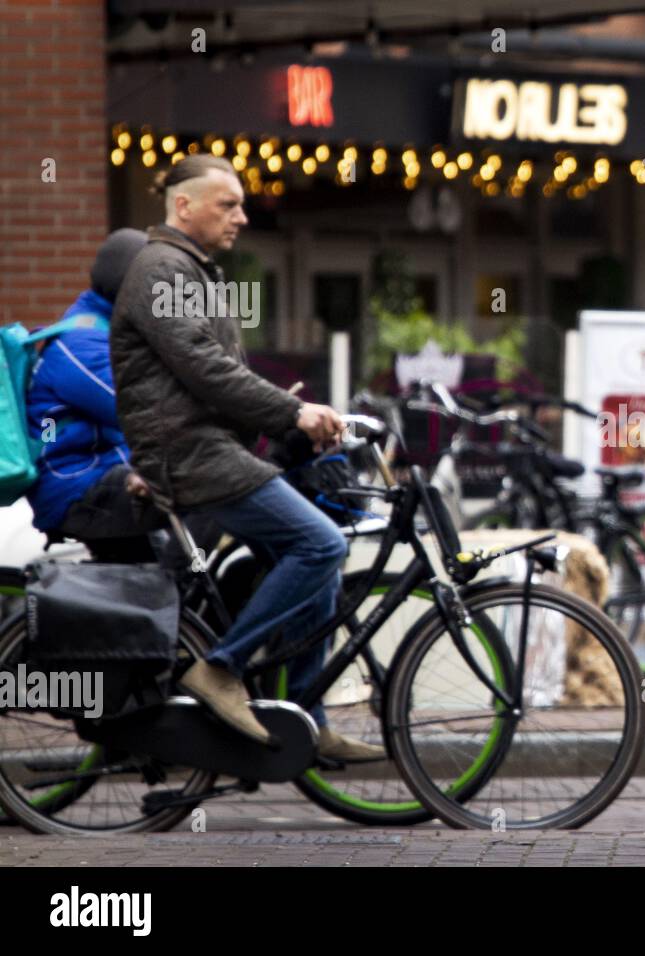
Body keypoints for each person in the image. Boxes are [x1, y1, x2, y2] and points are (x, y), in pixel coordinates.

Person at [110, 153, 384, 762]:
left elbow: (217, 374)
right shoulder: (161, 271)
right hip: (190, 456)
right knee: (322, 544)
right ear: (184, 206)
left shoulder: (192, 270)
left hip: (213, 448)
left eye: (240, 204)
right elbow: (204, 371)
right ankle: (222, 669)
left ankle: (304, 719)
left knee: (314, 565)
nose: (241, 216)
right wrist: (291, 415)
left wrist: (282, 412)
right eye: (226, 204)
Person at [25, 229, 158, 561]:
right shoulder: (81, 344)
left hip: (101, 471)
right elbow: (141, 411)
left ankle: (177, 597)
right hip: (76, 485)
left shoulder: (109, 330)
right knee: (214, 492)